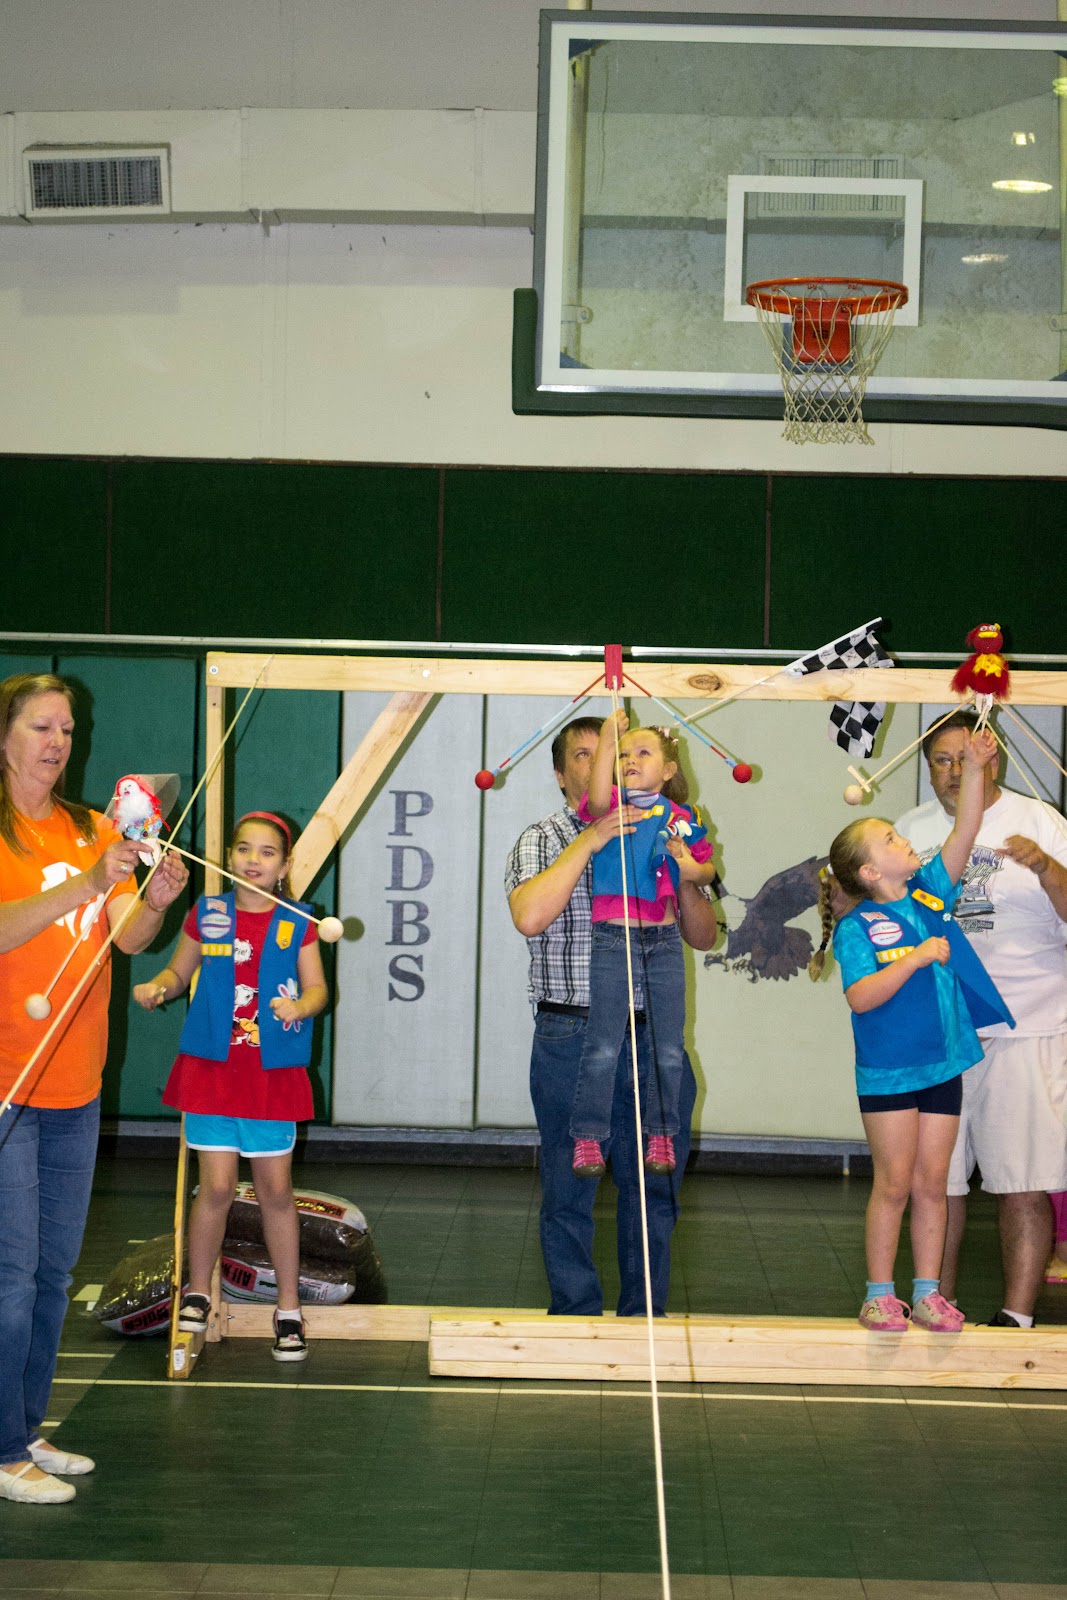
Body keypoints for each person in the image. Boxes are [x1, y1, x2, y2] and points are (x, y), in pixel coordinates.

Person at [0, 673, 188, 1505]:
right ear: (4, 736)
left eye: (67, 730)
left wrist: (157, 894)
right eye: (41, 726)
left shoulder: (91, 826)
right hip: (6, 1082)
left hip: (75, 1082)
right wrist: (83, 882)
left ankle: (25, 1429)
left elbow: (130, 938)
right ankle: (4, 1453)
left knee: (50, 1272)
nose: (56, 743)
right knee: (9, 1275)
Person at [505, 715, 719, 1318]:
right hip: (572, 1034)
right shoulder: (542, 838)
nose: (612, 763)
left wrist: (688, 877)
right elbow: (528, 916)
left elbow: (702, 936)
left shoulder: (663, 824)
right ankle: (574, 1313)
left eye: (621, 752)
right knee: (569, 1189)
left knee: (653, 1189)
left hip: (650, 1035)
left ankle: (641, 1315)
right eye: (586, 755)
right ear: (561, 772)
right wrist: (591, 839)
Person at [811, 725, 1010, 1331]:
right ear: (871, 872)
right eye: (893, 839)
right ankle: (879, 1294)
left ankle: (927, 1294)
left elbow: (966, 829)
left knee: (934, 1186)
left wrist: (975, 767)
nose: (907, 842)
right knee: (893, 1184)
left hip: (943, 1065)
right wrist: (916, 958)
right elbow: (861, 997)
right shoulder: (859, 927)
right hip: (890, 1072)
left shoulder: (929, 896)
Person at [134, 812, 327, 1363]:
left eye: (268, 852)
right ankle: (198, 1291)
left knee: (275, 1193)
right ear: (230, 856)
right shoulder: (209, 913)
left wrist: (299, 1005)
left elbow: (318, 991)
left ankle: (287, 1310)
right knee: (215, 1188)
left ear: (285, 866)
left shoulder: (299, 922)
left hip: (270, 1079)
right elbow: (178, 972)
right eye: (244, 849)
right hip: (213, 1076)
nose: (253, 860)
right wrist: (158, 988)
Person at [896, 709, 1067, 1327]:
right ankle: (932, 1304)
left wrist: (1048, 868)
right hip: (939, 1030)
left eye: (959, 759)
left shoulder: (1040, 821)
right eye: (938, 761)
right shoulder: (908, 830)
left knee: (1022, 1181)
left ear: (989, 755)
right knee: (936, 1182)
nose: (949, 772)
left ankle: (1016, 1316)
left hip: (1027, 1025)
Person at [570, 712, 715, 1179]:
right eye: (624, 756)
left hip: (665, 939)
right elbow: (592, 794)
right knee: (603, 1044)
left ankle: (661, 1134)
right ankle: (589, 1137)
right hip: (614, 937)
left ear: (669, 769)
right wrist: (609, 740)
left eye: (643, 753)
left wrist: (693, 871)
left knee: (668, 1045)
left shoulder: (683, 817)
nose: (630, 760)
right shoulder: (610, 805)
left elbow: (706, 869)